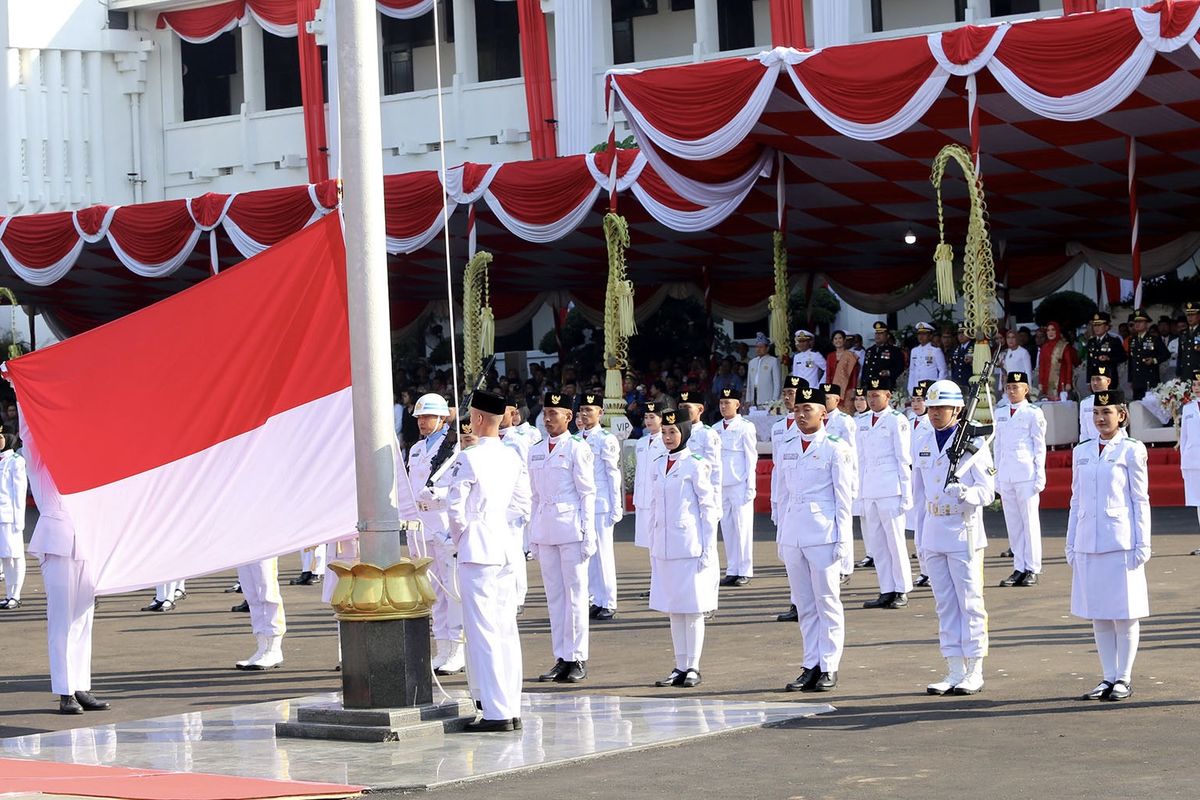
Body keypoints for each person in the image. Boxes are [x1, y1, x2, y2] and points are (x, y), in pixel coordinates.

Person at [444, 389, 531, 732]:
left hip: (479, 548)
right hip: (505, 546)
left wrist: (463, 536)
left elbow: (455, 508)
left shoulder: (470, 457)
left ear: (479, 419)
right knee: (506, 629)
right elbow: (522, 504)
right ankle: (510, 706)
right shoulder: (512, 456)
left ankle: (496, 712)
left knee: (484, 632)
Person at [1066, 388, 1150, 702]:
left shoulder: (1132, 449)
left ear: (1121, 415)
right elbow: (1075, 500)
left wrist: (1143, 541)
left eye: (1107, 413)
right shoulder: (1082, 451)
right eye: (1097, 414)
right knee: (1099, 613)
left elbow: (1140, 499)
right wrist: (1071, 540)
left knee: (1125, 613)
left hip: (1121, 540)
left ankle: (1124, 678)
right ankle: (1107, 676)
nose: (1101, 419)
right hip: (1089, 540)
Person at [912, 380, 995, 695]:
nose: (934, 413)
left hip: (963, 530)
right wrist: (919, 538)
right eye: (931, 407)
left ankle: (975, 668)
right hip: (933, 529)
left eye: (941, 407)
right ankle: (953, 668)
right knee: (945, 604)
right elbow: (918, 494)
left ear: (957, 409)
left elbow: (987, 491)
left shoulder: (973, 439)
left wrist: (966, 494)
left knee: (970, 602)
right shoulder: (921, 437)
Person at [24, 427, 111, 714]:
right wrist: (19, 388)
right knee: (61, 622)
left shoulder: (84, 470)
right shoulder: (40, 466)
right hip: (57, 545)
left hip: (86, 546)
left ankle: (80, 685)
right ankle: (64, 691)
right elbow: (28, 432)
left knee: (83, 620)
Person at [775, 385, 854, 693]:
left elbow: (843, 500)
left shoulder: (836, 447)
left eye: (807, 409)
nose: (800, 414)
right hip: (794, 534)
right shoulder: (788, 445)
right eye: (797, 409)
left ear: (824, 413)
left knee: (827, 602)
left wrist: (844, 544)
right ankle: (811, 664)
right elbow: (782, 494)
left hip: (823, 534)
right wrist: (782, 536)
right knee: (805, 604)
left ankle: (830, 664)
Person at [647, 409, 720, 688]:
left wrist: (708, 548)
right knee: (674, 608)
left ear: (685, 433)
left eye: (673, 431)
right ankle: (679, 665)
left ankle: (693, 666)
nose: (667, 437)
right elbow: (654, 507)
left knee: (692, 608)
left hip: (690, 544)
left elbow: (707, 509)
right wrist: (652, 543)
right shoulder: (657, 463)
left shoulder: (695, 464)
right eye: (664, 432)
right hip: (665, 545)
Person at [528, 392, 596, 684]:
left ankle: (577, 656)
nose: (547, 418)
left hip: (571, 529)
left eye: (554, 413)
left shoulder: (577, 448)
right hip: (545, 529)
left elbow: (587, 493)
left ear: (569, 417)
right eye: (545, 412)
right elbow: (532, 496)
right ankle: (561, 656)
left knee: (576, 595)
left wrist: (588, 532)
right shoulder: (535, 450)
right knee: (555, 597)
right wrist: (530, 535)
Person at [408, 393, 465, 675]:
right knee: (432, 593)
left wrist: (438, 494)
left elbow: (460, 487)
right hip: (422, 527)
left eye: (428, 416)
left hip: (443, 523)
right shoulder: (416, 450)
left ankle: (457, 648)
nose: (422, 421)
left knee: (451, 590)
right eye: (419, 417)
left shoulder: (455, 447)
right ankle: (442, 648)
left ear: (443, 418)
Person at [857, 377, 914, 609]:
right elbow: (860, 459)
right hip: (870, 488)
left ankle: (901, 589)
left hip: (891, 488)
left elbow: (903, 459)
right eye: (869, 395)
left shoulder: (896, 420)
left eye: (876, 395)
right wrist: (859, 492)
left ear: (888, 396)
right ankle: (886, 588)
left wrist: (906, 493)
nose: (872, 399)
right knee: (877, 544)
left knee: (895, 542)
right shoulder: (863, 422)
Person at [994, 372, 1047, 587]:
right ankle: (1018, 566)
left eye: (1016, 387)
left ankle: (1032, 568)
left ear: (1026, 389)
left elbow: (1039, 446)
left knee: (1029, 522)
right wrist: (996, 475)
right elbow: (997, 446)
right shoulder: (1000, 413)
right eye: (1009, 387)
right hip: (1007, 473)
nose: (1012, 391)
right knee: (1013, 523)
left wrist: (1039, 475)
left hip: (1026, 473)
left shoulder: (1034, 413)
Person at [577, 393, 622, 621]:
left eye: (590, 409)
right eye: (582, 409)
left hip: (602, 503)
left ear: (600, 413)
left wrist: (617, 505)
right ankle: (596, 599)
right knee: (589, 554)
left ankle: (609, 601)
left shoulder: (606, 439)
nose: (585, 414)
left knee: (604, 555)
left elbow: (613, 474)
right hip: (583, 505)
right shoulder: (576, 439)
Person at [714, 387, 757, 587]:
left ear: (737, 405)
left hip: (739, 483)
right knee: (728, 528)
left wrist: (751, 485)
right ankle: (732, 569)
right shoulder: (715, 429)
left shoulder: (745, 427)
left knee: (743, 527)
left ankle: (745, 569)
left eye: (727, 403)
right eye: (721, 403)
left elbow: (751, 458)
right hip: (722, 484)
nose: (724, 406)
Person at [772, 375, 805, 623]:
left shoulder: (809, 426)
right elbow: (777, 469)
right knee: (789, 555)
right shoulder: (778, 427)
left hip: (806, 501)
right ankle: (797, 602)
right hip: (785, 499)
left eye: (792, 392)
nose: (787, 397)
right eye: (785, 392)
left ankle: (804, 603)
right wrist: (775, 503)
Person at [821, 382, 858, 583]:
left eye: (829, 398)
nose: (826, 402)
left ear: (837, 399)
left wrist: (853, 482)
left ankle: (845, 566)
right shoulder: (818, 419)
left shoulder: (845, 421)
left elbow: (851, 453)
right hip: (824, 477)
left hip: (842, 476)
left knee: (843, 521)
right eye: (823, 398)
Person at [500, 404, 534, 611]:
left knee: (514, 552)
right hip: (496, 504)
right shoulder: (493, 439)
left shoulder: (518, 441)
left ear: (513, 415)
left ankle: (518, 596)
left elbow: (527, 474)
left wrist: (526, 505)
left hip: (514, 504)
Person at [634, 401, 668, 589]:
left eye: (652, 417)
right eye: (646, 417)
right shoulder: (641, 442)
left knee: (660, 544)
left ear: (662, 419)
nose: (648, 420)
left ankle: (662, 583)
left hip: (657, 499)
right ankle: (656, 583)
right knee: (650, 545)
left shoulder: (665, 442)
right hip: (643, 499)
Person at [906, 381, 932, 588]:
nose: (916, 404)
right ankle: (924, 569)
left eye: (920, 400)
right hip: (913, 472)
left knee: (929, 521)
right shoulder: (908, 420)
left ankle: (931, 568)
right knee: (918, 521)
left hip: (928, 471)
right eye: (914, 400)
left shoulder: (932, 422)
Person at [0, 429, 27, 610]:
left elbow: (19, 492)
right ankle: (9, 594)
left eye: (0, 437)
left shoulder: (16, 462)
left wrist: (20, 520)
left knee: (16, 556)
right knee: (5, 559)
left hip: (10, 518)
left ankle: (16, 596)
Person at [677, 390, 722, 496]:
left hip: (701, 491)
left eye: (687, 408)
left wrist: (715, 497)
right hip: (680, 490)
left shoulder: (707, 434)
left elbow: (715, 469)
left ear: (700, 409)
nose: (683, 411)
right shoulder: (675, 433)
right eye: (680, 408)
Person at [1126, 309, 1168, 401]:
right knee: (1137, 406)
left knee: (1151, 406)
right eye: (1135, 322)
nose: (1137, 324)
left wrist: (1154, 360)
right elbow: (1131, 360)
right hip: (1137, 381)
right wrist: (1130, 379)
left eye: (1140, 321)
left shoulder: (1154, 339)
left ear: (1146, 323)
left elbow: (1166, 354)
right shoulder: (1132, 340)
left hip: (1150, 379)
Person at [1181, 371, 1200, 555]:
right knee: (1199, 503)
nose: (1197, 388)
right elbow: (1184, 438)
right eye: (1195, 385)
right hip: (1194, 460)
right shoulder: (1187, 409)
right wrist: (1183, 462)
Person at [1038, 321, 1078, 401]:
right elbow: (1042, 366)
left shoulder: (1064, 346)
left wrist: (1068, 382)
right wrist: (1040, 382)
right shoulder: (1044, 347)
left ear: (1057, 331)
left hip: (1061, 380)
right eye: (1048, 330)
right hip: (1047, 381)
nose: (1050, 332)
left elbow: (1069, 365)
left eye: (1053, 330)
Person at [907, 322, 948, 394]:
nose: (921, 336)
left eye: (924, 334)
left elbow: (943, 370)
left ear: (930, 336)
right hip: (917, 387)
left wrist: (937, 386)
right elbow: (912, 370)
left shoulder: (935, 351)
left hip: (931, 386)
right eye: (919, 334)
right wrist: (910, 388)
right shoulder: (914, 351)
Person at [1084, 312, 1127, 376]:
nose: (1096, 328)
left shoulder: (1114, 341)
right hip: (1095, 378)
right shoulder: (1091, 342)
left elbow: (1123, 357)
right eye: (1095, 325)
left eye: (1099, 325)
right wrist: (1088, 381)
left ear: (1106, 327)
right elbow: (1089, 363)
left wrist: (1109, 359)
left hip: (1109, 377)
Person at [745, 332, 781, 409]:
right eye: (757, 347)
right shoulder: (752, 362)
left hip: (768, 400)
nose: (758, 349)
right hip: (753, 399)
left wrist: (775, 401)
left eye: (761, 347)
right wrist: (748, 399)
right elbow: (749, 383)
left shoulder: (773, 361)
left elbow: (777, 383)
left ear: (767, 348)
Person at [1079, 366, 1113, 443]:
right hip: (1091, 445)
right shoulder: (1085, 403)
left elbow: (1121, 429)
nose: (1094, 383)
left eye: (1098, 379)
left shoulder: (1115, 401)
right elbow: (1084, 431)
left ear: (1108, 381)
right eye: (1092, 380)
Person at [825, 331, 858, 411]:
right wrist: (827, 389)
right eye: (835, 339)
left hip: (848, 389)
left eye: (840, 338)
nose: (838, 340)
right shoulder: (830, 356)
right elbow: (828, 374)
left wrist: (853, 389)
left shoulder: (851, 356)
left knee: (847, 412)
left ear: (844, 340)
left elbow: (854, 375)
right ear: (833, 341)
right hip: (834, 389)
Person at [996, 330, 1033, 395]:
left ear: (1017, 338)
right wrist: (1000, 386)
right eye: (1008, 338)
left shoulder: (1023, 352)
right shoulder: (1004, 353)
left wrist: (1028, 387)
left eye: (1013, 337)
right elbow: (1003, 371)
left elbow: (1028, 371)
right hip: (1008, 386)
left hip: (1019, 384)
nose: (1010, 340)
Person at [1176, 301, 1199, 379]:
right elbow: (1180, 355)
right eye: (1188, 315)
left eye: (1192, 315)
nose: (1190, 317)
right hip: (1185, 373)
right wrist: (1178, 372)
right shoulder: (1183, 333)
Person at [949, 325, 974, 394]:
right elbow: (953, 368)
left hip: (970, 382)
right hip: (957, 383)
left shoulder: (975, 347)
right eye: (959, 333)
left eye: (963, 333)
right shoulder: (955, 349)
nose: (961, 335)